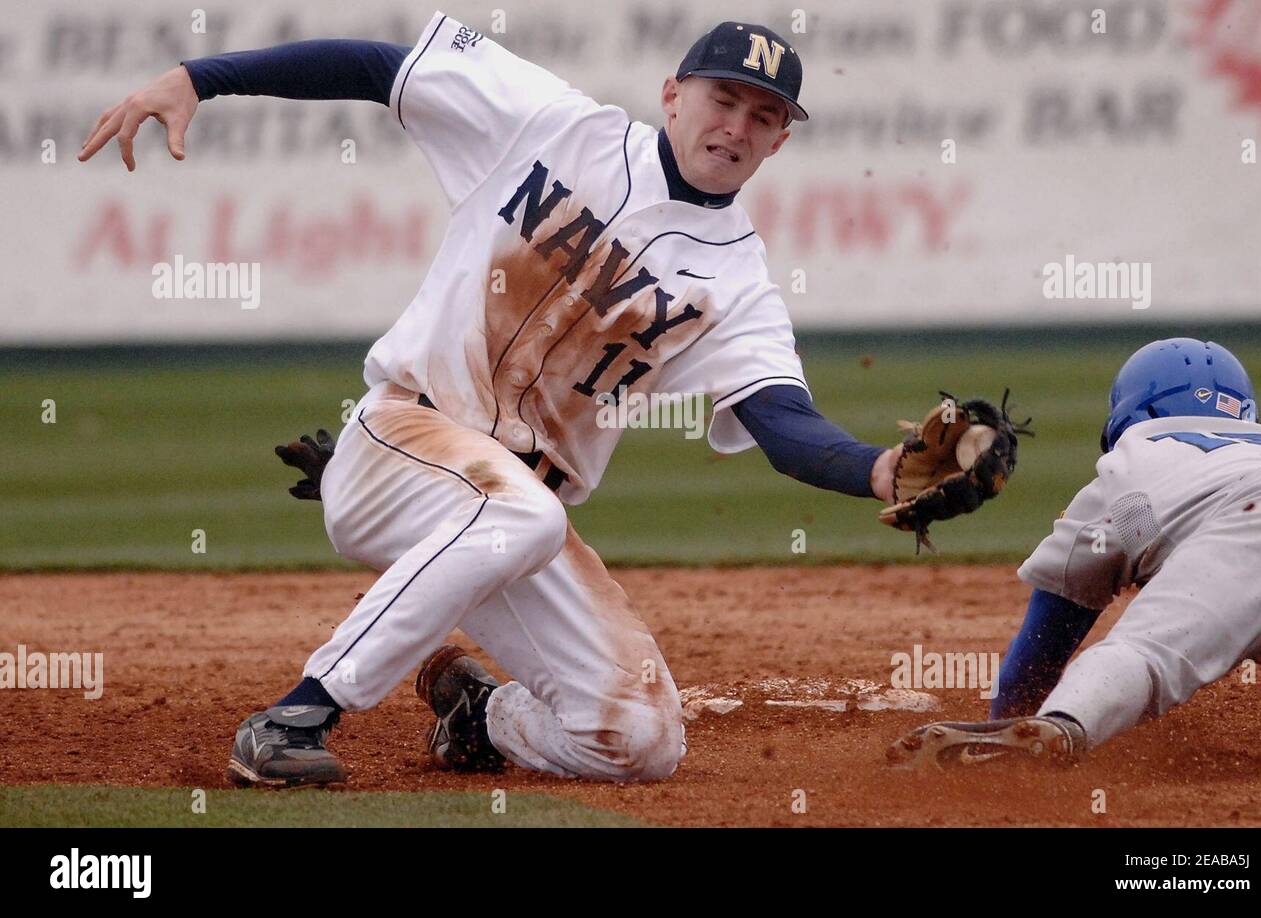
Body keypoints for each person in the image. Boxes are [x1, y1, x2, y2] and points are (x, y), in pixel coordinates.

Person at [81, 13, 1003, 787]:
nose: (737, 125)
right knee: (516, 508)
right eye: (724, 97)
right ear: (674, 93)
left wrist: (882, 469)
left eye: (764, 115)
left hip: (503, 520)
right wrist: (200, 77)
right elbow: (380, 66)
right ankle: (290, 722)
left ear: (780, 139)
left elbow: (787, 428)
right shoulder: (554, 126)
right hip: (409, 426)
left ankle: (482, 718)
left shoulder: (740, 288)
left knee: (642, 741)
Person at [888, 338, 1261, 768]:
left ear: (1137, 409)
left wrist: (1009, 718)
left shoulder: (1134, 461)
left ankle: (1060, 727)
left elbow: (1047, 639)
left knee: (1145, 650)